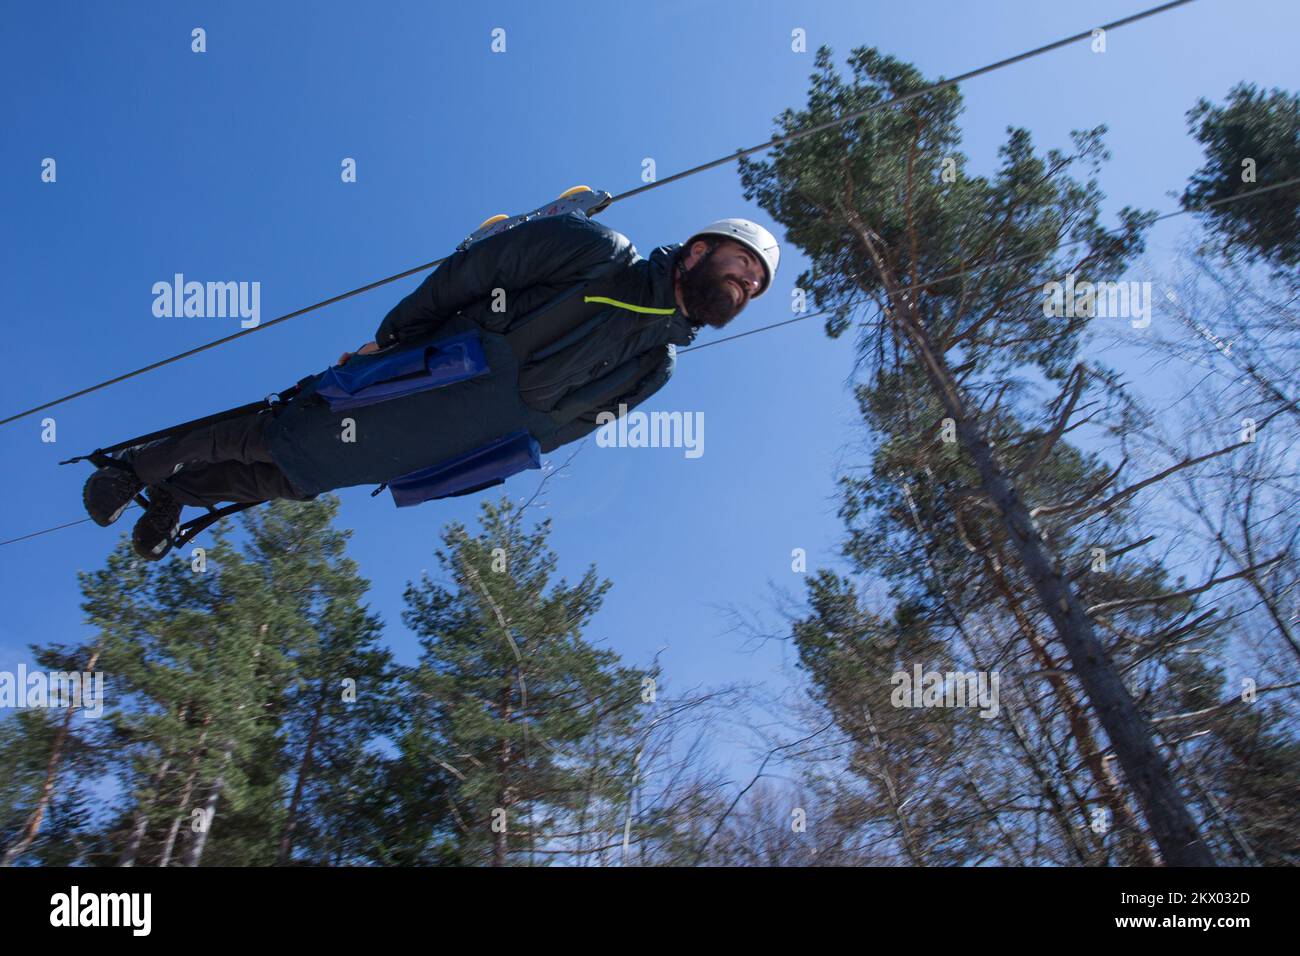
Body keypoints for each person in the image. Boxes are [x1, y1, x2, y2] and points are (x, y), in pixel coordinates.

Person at [82, 214, 780, 560]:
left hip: (457, 437)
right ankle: (133, 467)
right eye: (743, 262)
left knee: (294, 476)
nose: (745, 284)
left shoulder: (658, 368)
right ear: (697, 249)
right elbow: (473, 272)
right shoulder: (598, 253)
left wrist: (469, 471)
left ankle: (175, 495)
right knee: (282, 431)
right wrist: (392, 338)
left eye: (756, 285)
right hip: (430, 373)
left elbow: (569, 429)